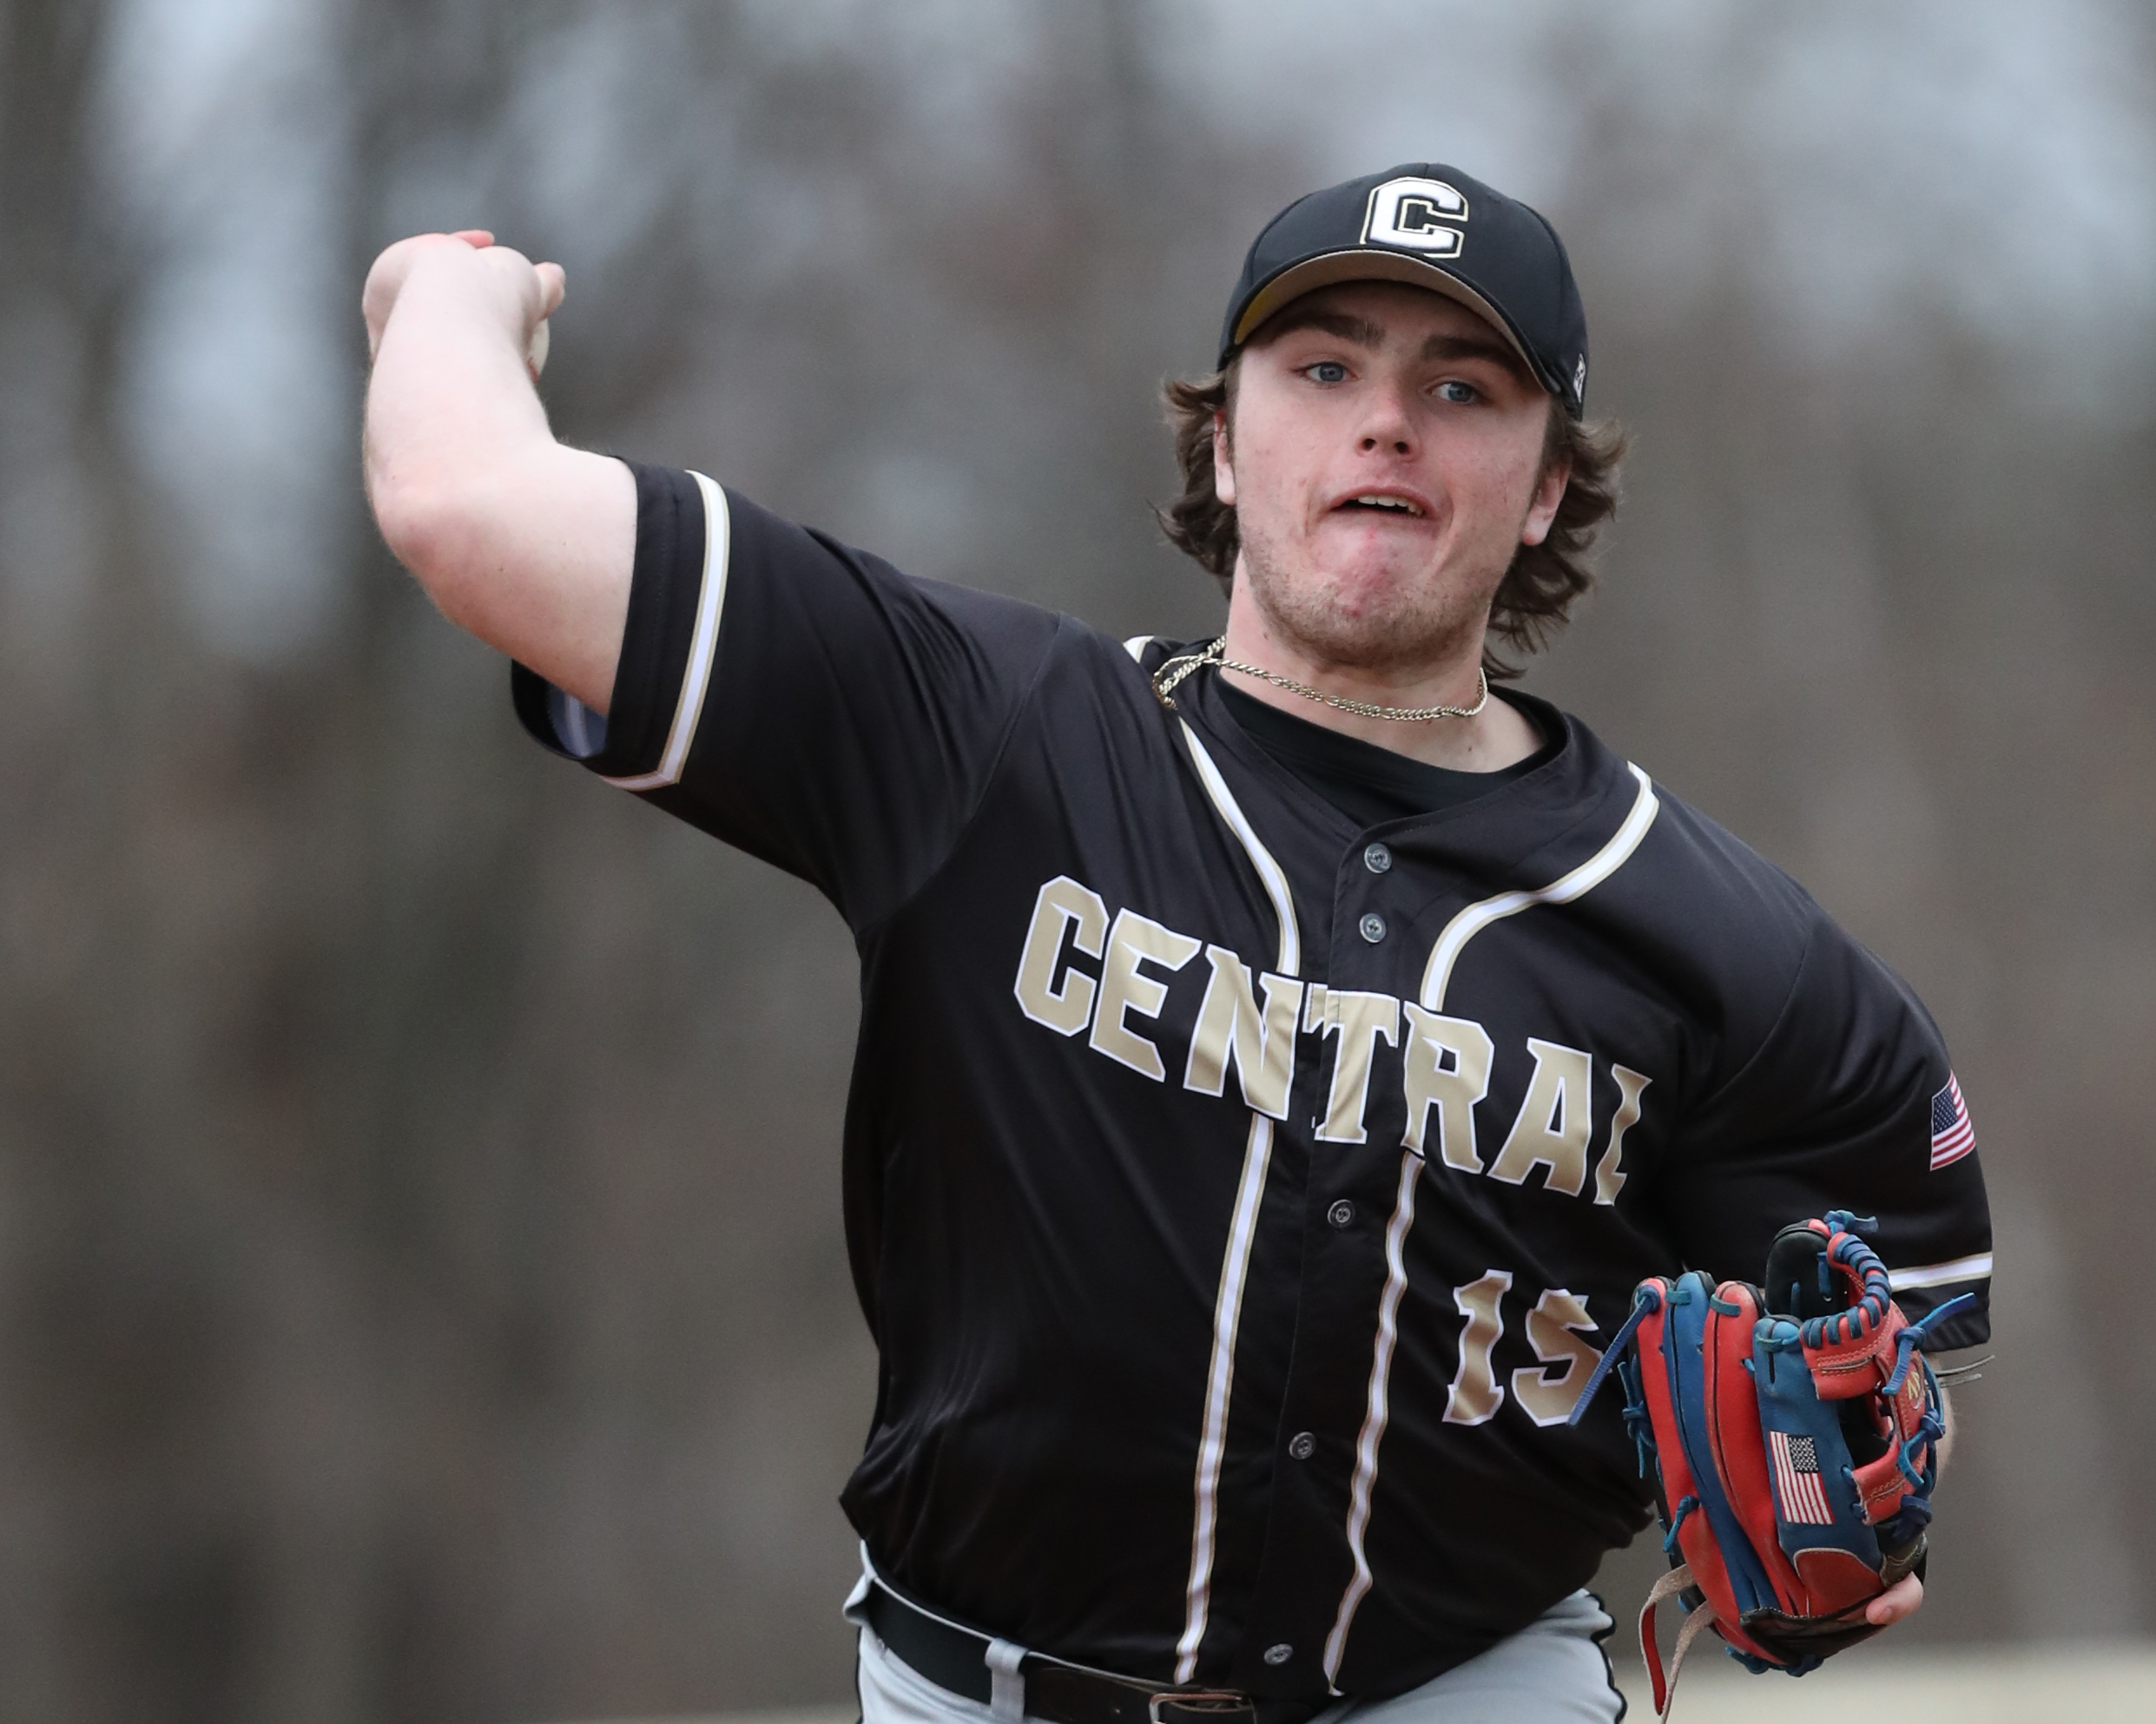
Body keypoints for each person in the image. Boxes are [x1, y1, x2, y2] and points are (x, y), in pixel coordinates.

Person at [360, 163, 1993, 1723]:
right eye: (1321, 362)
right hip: (980, 1678)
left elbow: (1889, 1356)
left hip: (1458, 1679)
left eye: (1462, 388)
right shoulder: (986, 741)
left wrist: (1860, 1514)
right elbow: (462, 505)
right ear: (1222, 441)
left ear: (1550, 480)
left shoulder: (1722, 943)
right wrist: (442, 292)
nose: (1383, 420)